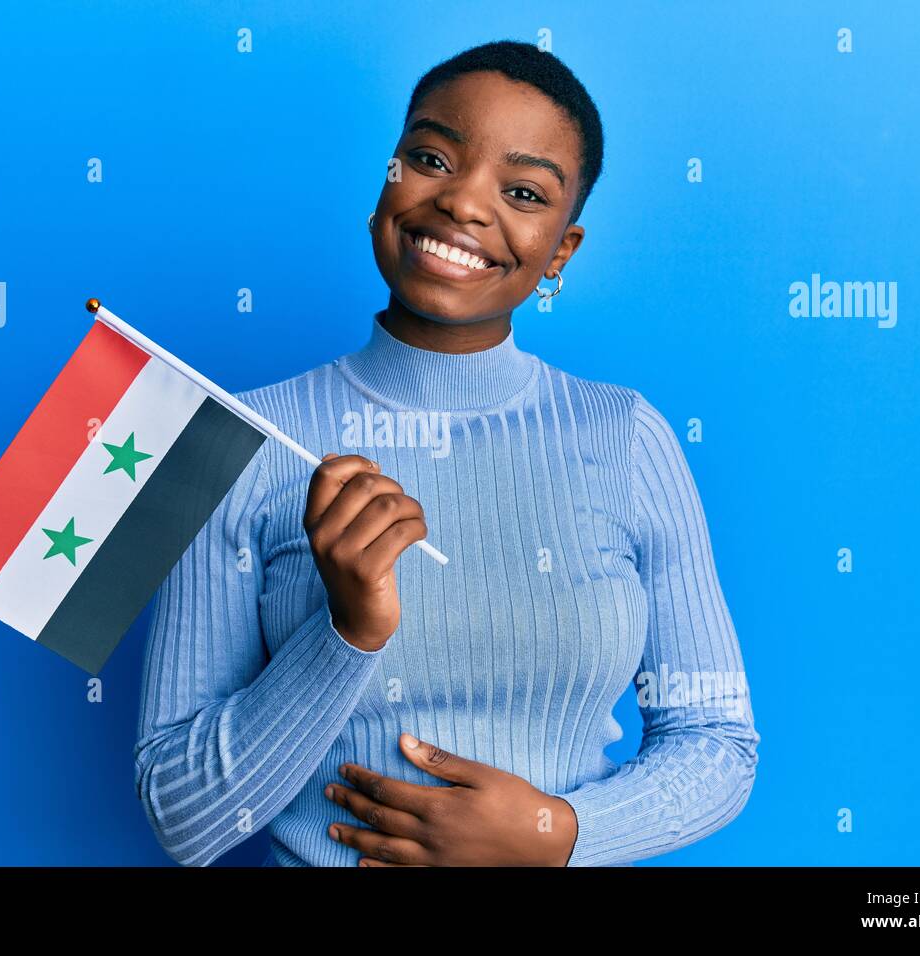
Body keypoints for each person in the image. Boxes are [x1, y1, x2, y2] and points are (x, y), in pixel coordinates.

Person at [134, 39, 760, 867]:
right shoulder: (237, 442)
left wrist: (557, 835)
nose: (465, 203)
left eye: (523, 190)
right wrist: (348, 633)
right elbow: (183, 817)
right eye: (432, 158)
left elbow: (716, 740)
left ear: (559, 253)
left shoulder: (626, 436)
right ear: (387, 180)